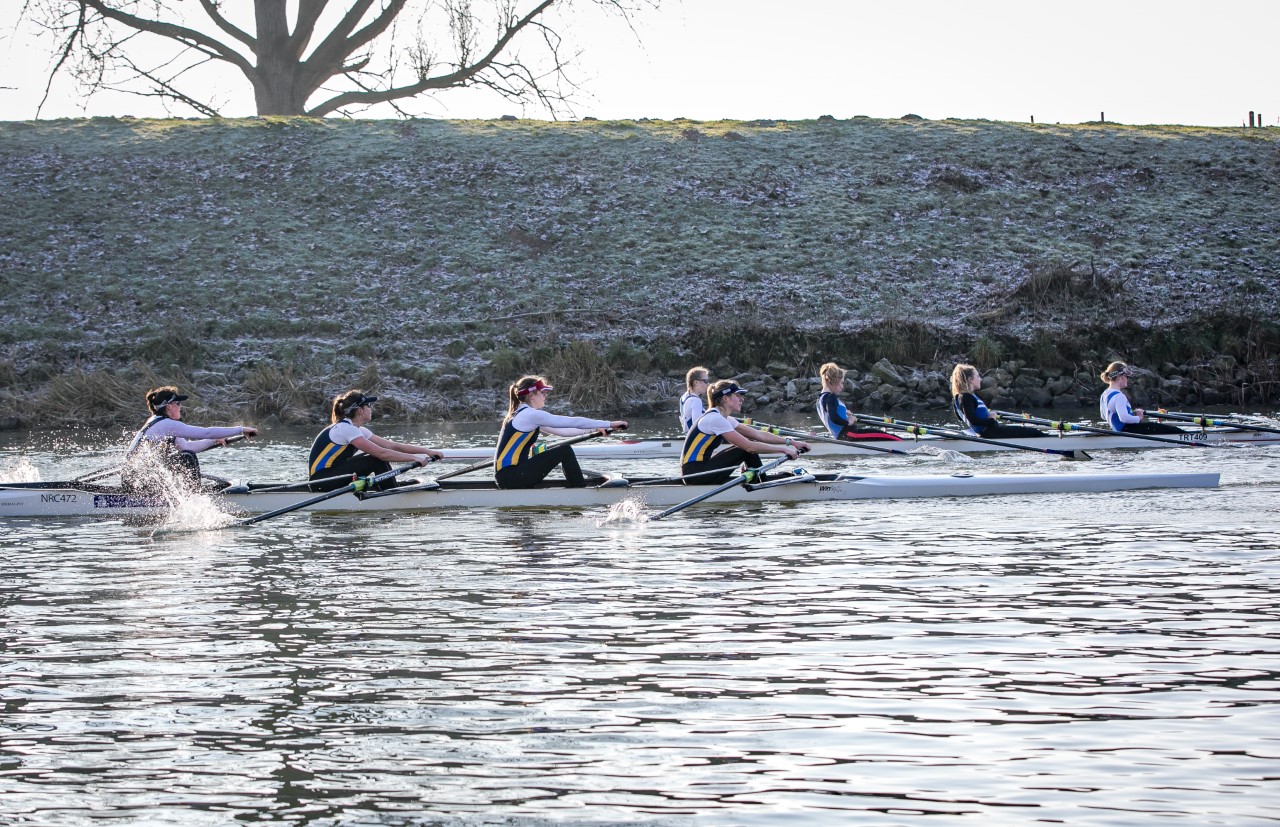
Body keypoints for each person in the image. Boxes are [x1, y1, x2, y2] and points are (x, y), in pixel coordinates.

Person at [495, 376, 628, 489]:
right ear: (531, 395)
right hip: (511, 477)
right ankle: (579, 491)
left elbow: (564, 431)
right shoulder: (530, 415)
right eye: (542, 393)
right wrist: (610, 424)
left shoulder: (519, 415)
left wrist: (595, 429)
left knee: (563, 450)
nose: (545, 396)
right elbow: (573, 421)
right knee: (564, 451)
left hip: (507, 477)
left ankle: (577, 487)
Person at [123, 386, 257, 491]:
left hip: (136, 478)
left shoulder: (157, 422)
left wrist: (215, 440)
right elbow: (206, 432)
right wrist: (241, 430)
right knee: (187, 457)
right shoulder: (166, 424)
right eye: (178, 403)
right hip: (137, 481)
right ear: (169, 406)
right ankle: (194, 498)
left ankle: (188, 493)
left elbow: (188, 446)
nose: (180, 407)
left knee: (186, 453)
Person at [308, 390, 443, 491]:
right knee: (375, 459)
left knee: (374, 458)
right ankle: (391, 493)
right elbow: (382, 454)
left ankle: (390, 487)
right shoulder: (345, 429)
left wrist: (427, 451)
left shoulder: (357, 429)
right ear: (360, 410)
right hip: (320, 482)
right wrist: (414, 458)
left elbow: (392, 446)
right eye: (369, 406)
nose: (371, 409)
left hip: (333, 476)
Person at [681, 380, 810, 485]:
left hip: (700, 471)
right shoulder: (714, 419)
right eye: (737, 396)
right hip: (695, 475)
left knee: (747, 447)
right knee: (745, 449)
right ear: (725, 398)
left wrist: (792, 442)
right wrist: (784, 450)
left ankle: (759, 481)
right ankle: (763, 484)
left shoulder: (723, 417)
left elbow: (758, 434)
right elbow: (749, 446)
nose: (742, 399)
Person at [950, 364, 1045, 438]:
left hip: (990, 432)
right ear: (970, 379)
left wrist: (988, 416)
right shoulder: (966, 397)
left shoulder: (959, 398)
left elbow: (961, 417)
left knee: (1028, 431)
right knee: (1034, 432)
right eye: (978, 376)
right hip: (991, 433)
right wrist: (991, 419)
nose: (980, 379)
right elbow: (973, 421)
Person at [816, 362, 902, 441]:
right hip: (849, 434)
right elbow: (834, 418)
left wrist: (843, 412)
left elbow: (829, 413)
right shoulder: (830, 397)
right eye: (841, 383)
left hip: (844, 435)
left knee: (882, 434)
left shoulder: (820, 399)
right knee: (891, 438)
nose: (842, 387)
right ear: (832, 381)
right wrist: (848, 422)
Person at [1098, 362, 1184, 434]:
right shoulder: (1119, 396)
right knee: (1168, 429)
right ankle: (1188, 436)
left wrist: (1131, 412)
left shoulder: (1104, 395)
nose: (1127, 379)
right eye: (1126, 377)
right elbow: (1124, 418)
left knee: (1153, 426)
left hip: (1120, 431)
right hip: (1129, 431)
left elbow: (1104, 415)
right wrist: (1138, 417)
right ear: (1120, 377)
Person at [679, 366, 711, 433]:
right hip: (696, 440)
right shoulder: (695, 400)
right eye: (706, 381)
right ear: (696, 382)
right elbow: (698, 427)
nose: (708, 385)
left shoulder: (684, 397)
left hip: (688, 436)